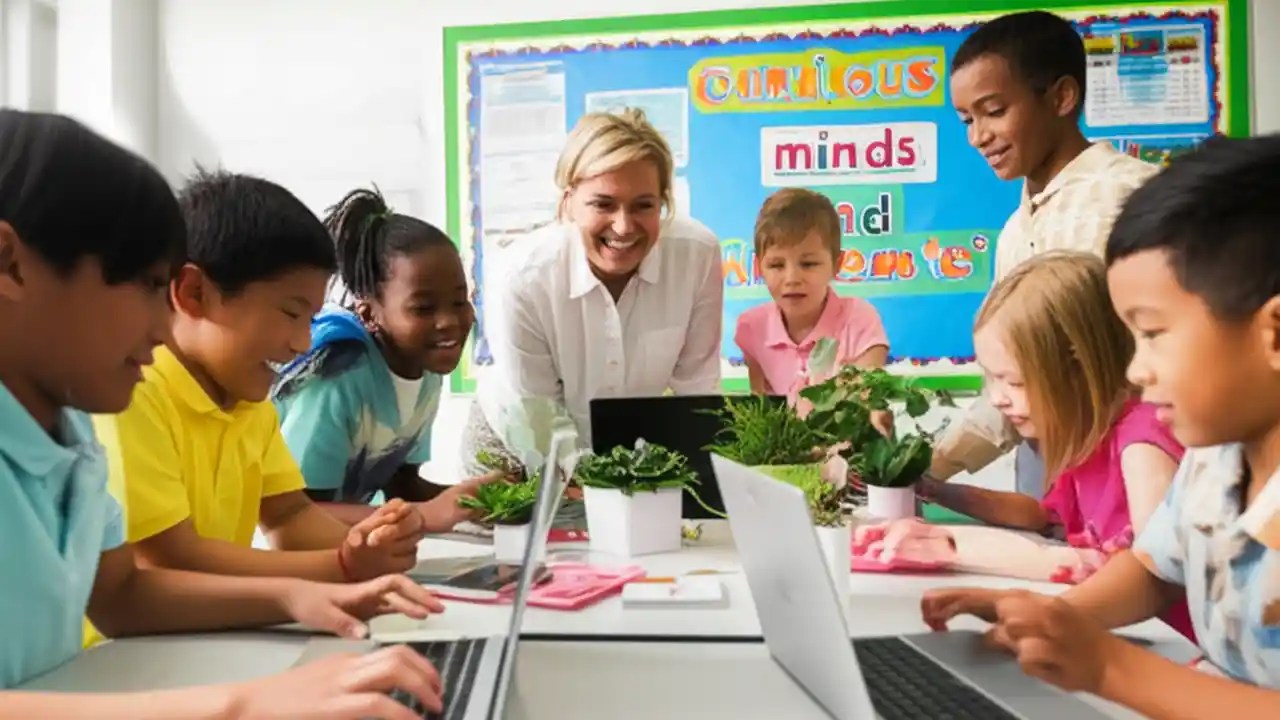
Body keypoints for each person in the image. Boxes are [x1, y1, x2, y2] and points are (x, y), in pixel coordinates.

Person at [0, 109, 444, 717]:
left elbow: (122, 594)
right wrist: (239, 706)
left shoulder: (69, 433)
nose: (162, 328)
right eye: (140, 287)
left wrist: (296, 596)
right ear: (9, 263)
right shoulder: (115, 407)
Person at [922, 136, 1280, 716]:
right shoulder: (1213, 462)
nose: (1135, 368)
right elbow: (1153, 569)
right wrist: (1058, 619)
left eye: (1155, 334)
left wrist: (1111, 667)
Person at [88, 170, 430, 650]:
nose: (302, 343)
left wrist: (367, 545)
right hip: (123, 655)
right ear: (192, 293)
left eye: (312, 320)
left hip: (207, 640)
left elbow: (288, 517)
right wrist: (343, 567)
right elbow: (170, 559)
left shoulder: (247, 394)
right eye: (291, 314)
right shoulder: (132, 392)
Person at [854, 252, 1192, 640]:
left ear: (1079, 369)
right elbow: (1040, 516)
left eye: (1013, 382)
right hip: (1120, 634)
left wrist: (1045, 612)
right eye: (991, 380)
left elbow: (1155, 574)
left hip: (1170, 647)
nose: (997, 398)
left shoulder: (1141, 443)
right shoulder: (1087, 437)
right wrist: (936, 490)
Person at [930, 10, 1163, 490]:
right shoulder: (1015, 233)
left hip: (1136, 461)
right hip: (1048, 470)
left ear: (1061, 97)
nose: (978, 136)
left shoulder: (1133, 197)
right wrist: (928, 466)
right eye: (967, 120)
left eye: (994, 112)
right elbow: (1012, 377)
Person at [464, 108, 723, 473]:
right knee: (537, 531)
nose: (623, 226)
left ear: (663, 202)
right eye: (603, 204)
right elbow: (539, 417)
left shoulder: (698, 255)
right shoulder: (522, 277)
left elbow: (698, 390)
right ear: (568, 202)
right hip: (516, 444)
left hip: (624, 449)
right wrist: (597, 484)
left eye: (643, 206)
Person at [272, 187, 500, 526]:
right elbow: (298, 515)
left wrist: (484, 501)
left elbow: (401, 487)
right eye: (423, 308)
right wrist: (429, 513)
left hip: (345, 546)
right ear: (368, 314)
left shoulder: (427, 373)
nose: (450, 322)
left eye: (459, 301)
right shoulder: (337, 380)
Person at [734, 188, 888, 401]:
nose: (792, 278)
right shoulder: (752, 327)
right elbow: (762, 415)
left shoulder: (860, 320)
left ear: (837, 265)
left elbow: (863, 413)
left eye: (808, 264)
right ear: (759, 268)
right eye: (776, 265)